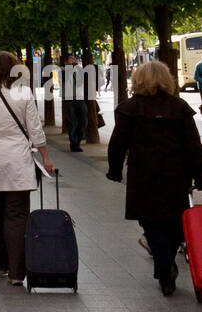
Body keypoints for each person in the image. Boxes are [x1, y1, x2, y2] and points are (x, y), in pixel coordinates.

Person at [106, 61, 202, 296]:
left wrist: (115, 170)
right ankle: (166, 263)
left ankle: (164, 267)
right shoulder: (179, 107)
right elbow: (193, 145)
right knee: (174, 221)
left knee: (150, 222)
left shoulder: (129, 108)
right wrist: (199, 175)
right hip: (175, 174)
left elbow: (117, 143)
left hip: (143, 174)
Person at [0, 52, 55, 285]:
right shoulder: (23, 93)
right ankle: (16, 272)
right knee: (16, 215)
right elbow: (35, 129)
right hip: (18, 160)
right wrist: (45, 157)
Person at [62, 52, 93, 151]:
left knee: (83, 120)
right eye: (70, 59)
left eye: (74, 58)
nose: (73, 60)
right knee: (72, 122)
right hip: (68, 99)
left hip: (80, 98)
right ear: (66, 61)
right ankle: (74, 144)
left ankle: (78, 140)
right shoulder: (63, 71)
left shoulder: (79, 70)